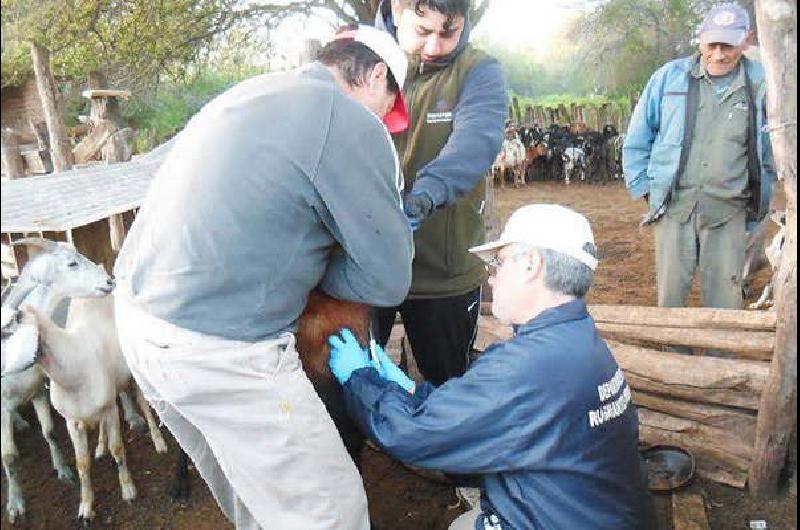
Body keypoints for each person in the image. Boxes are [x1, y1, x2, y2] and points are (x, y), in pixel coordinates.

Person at [113, 26, 413, 530]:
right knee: (331, 511)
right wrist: (319, 276)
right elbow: (388, 280)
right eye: (387, 108)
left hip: (139, 324)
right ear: (376, 74)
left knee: (256, 500)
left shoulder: (252, 92)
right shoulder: (348, 120)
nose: (383, 121)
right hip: (219, 349)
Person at [328, 204, 658, 530]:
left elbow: (413, 435)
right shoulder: (578, 341)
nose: (491, 277)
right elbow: (487, 417)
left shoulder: (527, 365)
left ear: (530, 264)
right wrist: (408, 389)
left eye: (498, 263)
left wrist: (360, 379)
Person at [373, 0, 508, 386]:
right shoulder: (362, 60)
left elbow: (474, 143)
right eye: (422, 31)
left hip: (443, 270)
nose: (434, 47)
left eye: (449, 33)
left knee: (448, 383)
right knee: (351, 380)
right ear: (397, 10)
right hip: (366, 267)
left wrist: (424, 197)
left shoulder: (478, 70)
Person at [623, 2, 775, 316]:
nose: (718, 55)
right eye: (712, 45)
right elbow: (637, 138)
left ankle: (722, 350)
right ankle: (670, 347)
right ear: (700, 40)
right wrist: (647, 190)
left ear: (746, 41)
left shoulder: (762, 84)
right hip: (674, 208)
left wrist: (759, 203)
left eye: (728, 46)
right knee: (670, 300)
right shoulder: (669, 78)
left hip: (728, 210)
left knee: (725, 304)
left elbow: (771, 151)